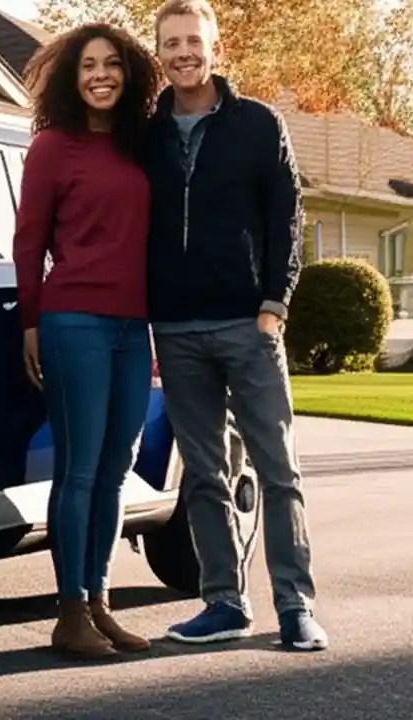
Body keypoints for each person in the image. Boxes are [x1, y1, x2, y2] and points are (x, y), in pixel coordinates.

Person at [143, 0, 328, 651]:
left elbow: (287, 218)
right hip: (175, 329)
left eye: (194, 40)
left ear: (214, 49)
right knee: (203, 475)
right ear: (159, 53)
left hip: (248, 327)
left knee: (278, 472)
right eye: (172, 43)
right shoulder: (147, 135)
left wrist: (275, 305)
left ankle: (295, 605)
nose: (184, 52)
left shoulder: (257, 124)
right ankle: (223, 601)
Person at [13, 22, 163, 659]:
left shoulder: (140, 146)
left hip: (135, 326)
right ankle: (69, 612)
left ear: (129, 75)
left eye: (112, 65)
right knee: (78, 468)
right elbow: (28, 241)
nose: (100, 75)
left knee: (115, 469)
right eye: (87, 66)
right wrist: (29, 323)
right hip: (74, 320)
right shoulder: (53, 146)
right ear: (71, 77)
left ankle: (99, 603)